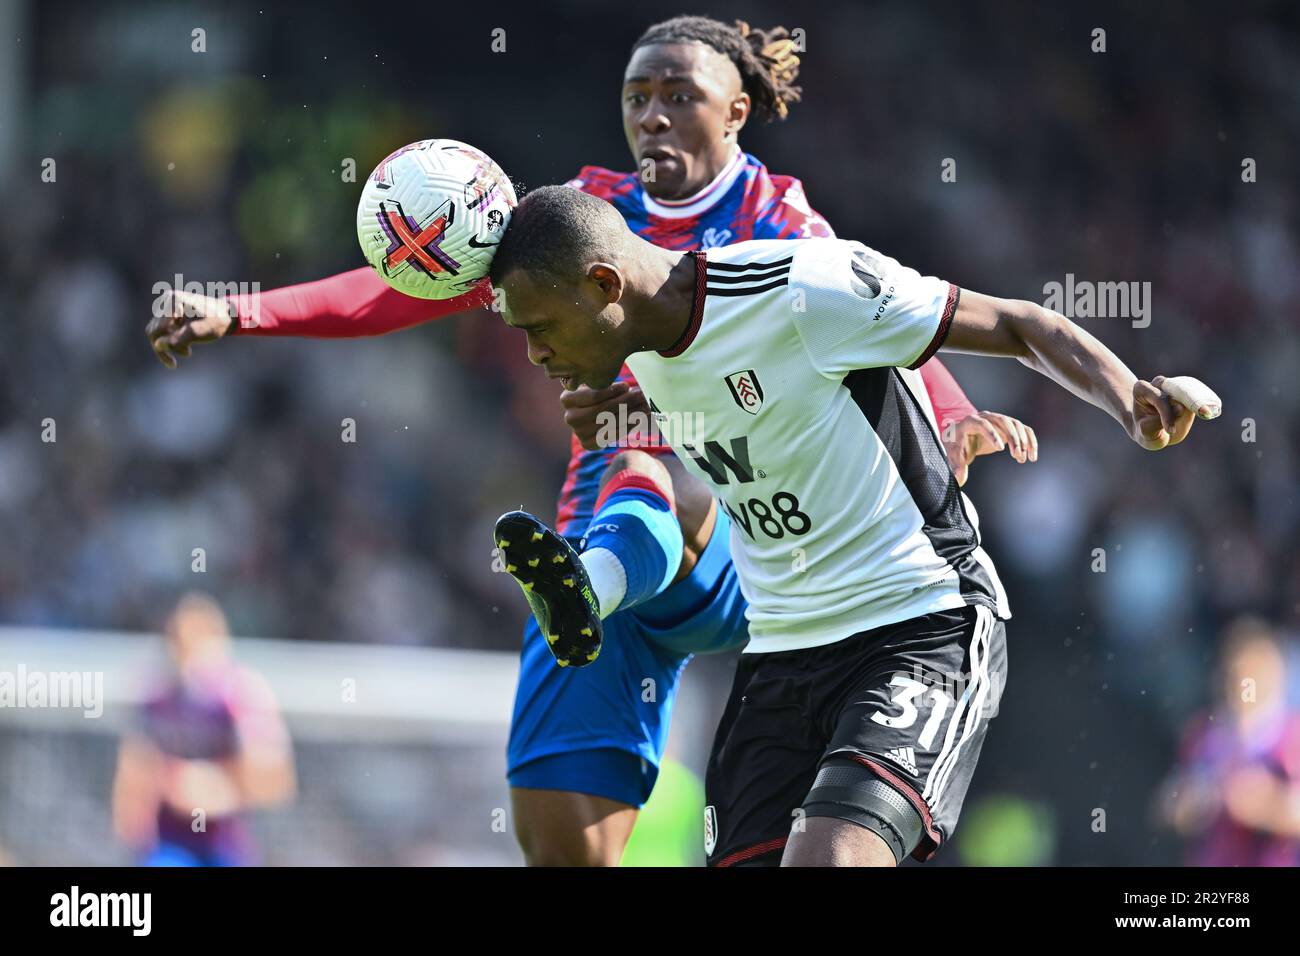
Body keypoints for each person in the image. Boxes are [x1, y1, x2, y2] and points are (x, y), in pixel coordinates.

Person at [144, 15, 1033, 865]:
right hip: (592, 552)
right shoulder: (575, 219)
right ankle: (587, 593)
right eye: (636, 95)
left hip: (740, 550)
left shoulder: (781, 226)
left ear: (736, 109)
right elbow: (410, 286)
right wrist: (241, 311)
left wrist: (954, 417)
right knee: (560, 843)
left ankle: (598, 583)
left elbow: (887, 316)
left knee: (649, 453)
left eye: (679, 95)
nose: (653, 114)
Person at [487, 183, 1209, 866]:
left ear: (606, 287)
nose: (535, 353)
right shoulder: (637, 361)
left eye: (541, 329)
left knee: (830, 857)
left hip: (917, 622)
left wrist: (1132, 402)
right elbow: (748, 410)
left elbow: (1021, 324)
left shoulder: (801, 288)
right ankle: (600, 577)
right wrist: (648, 419)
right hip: (779, 654)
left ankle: (601, 579)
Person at [111, 592, 295, 866]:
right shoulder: (157, 699)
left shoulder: (241, 697)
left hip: (226, 844)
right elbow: (133, 779)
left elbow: (276, 781)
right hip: (169, 844)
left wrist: (219, 788)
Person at [1159, 617, 1300, 865]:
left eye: (1255, 672)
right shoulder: (1206, 734)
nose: (1245, 683)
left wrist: (1268, 804)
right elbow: (1169, 806)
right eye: (1238, 672)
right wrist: (1193, 801)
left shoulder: (1292, 735)